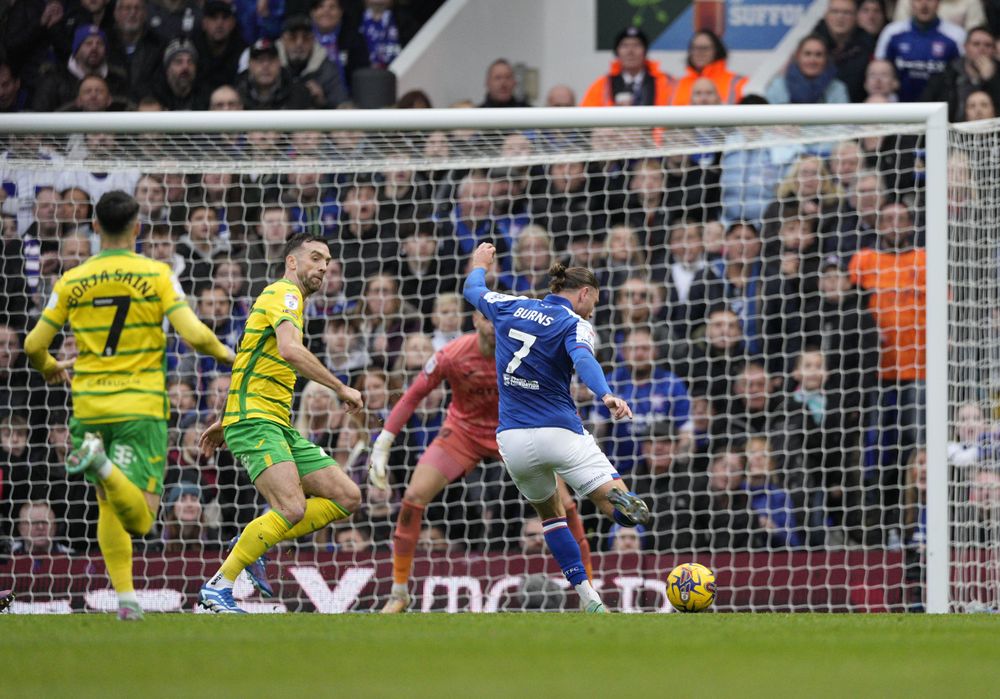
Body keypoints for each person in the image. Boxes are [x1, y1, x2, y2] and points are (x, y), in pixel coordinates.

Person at [21, 190, 235, 620]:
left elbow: (32, 345)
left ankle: (126, 599)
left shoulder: (71, 280)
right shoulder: (156, 273)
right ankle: (100, 464)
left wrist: (49, 366)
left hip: (90, 407)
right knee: (140, 520)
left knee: (108, 504)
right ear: (137, 227)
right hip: (141, 407)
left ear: (94, 227)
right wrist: (234, 358)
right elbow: (194, 335)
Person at [463, 242, 650, 613]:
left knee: (550, 516)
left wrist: (480, 263)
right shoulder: (575, 323)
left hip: (513, 440)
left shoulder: (510, 305)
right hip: (560, 432)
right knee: (618, 509)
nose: (593, 308)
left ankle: (588, 597)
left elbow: (472, 290)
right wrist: (607, 395)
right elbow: (583, 358)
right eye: (594, 300)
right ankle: (615, 500)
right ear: (583, 293)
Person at [197, 232, 365, 614]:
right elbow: (290, 351)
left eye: (327, 261)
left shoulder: (286, 303)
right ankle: (218, 587)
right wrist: (340, 386)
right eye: (315, 258)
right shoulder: (284, 294)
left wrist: (227, 418)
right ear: (292, 262)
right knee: (291, 508)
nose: (323, 266)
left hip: (270, 421)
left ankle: (255, 541)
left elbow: (250, 358)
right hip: (258, 422)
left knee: (347, 496)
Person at [875, 0, 966, 102]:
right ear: (911, 3)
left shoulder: (956, 35)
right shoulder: (892, 32)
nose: (924, 5)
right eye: (918, 0)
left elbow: (963, 74)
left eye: (930, 0)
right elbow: (877, 71)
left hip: (942, 107)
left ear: (938, 3)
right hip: (899, 108)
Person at [921, 26, 1000, 121]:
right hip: (952, 133)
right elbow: (924, 109)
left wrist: (991, 80)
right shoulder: (947, 75)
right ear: (965, 47)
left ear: (994, 50)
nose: (981, 49)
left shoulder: (997, 76)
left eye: (987, 45)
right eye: (976, 44)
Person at [580, 26, 673, 107]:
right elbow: (585, 119)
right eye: (625, 46)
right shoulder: (602, 85)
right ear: (617, 52)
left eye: (636, 45)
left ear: (645, 52)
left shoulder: (665, 83)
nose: (630, 51)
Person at [813, 0, 877, 102]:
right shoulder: (812, 42)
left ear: (856, 16)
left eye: (847, 13)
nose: (840, 17)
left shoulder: (868, 44)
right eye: (835, 11)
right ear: (825, 15)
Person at [765, 34, 851, 104]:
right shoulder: (779, 85)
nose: (812, 60)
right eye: (807, 54)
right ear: (798, 57)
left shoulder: (837, 88)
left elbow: (842, 123)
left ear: (826, 59)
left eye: (818, 55)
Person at [670, 30, 747, 105]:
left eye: (705, 48)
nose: (699, 52)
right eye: (695, 48)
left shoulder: (738, 83)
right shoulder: (677, 85)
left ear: (716, 50)